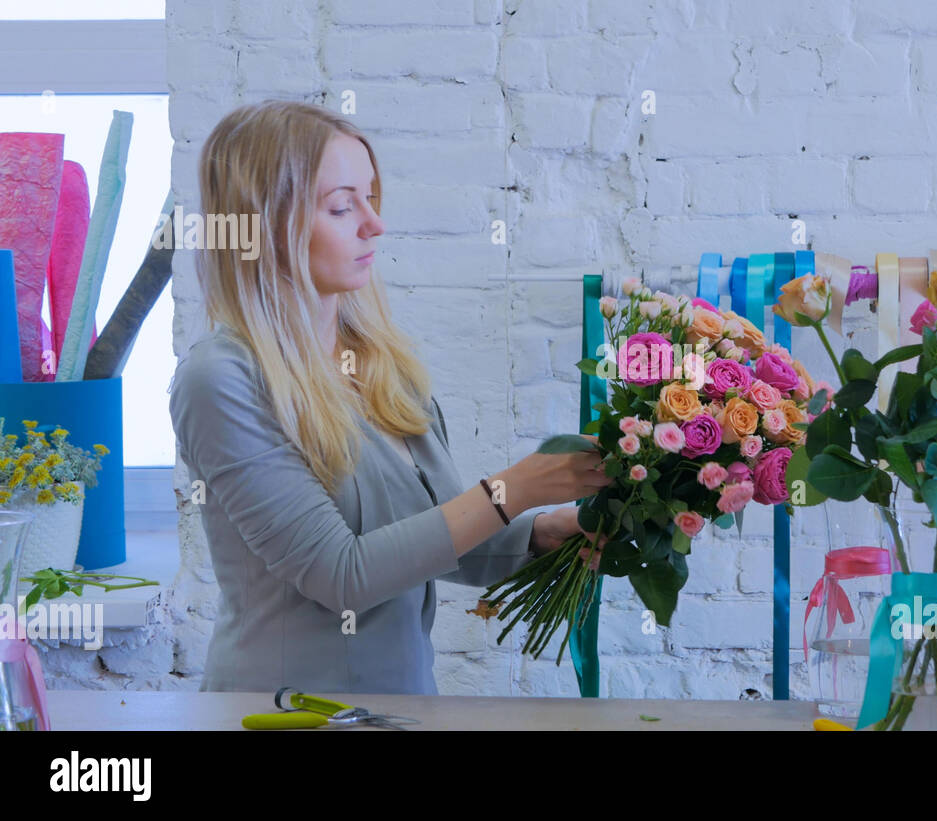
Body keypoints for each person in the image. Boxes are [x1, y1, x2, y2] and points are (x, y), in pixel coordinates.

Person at [169, 100, 611, 694]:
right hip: (283, 712)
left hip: (403, 709)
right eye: (341, 205)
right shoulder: (222, 379)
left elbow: (436, 542)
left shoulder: (380, 365)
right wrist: (519, 487)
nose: (374, 224)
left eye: (371, 199)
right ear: (265, 223)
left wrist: (539, 531)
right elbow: (341, 575)